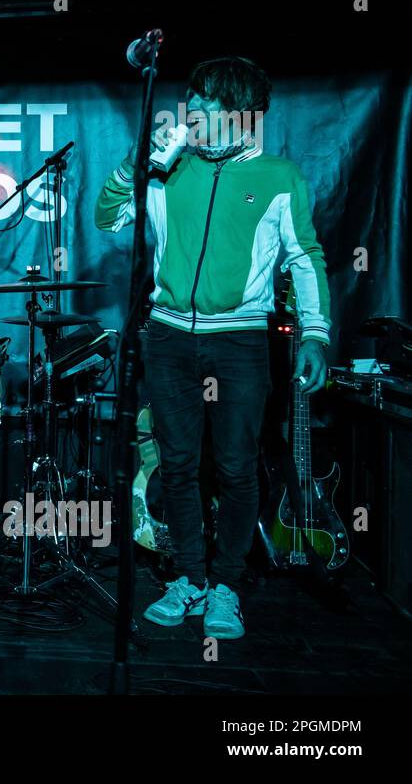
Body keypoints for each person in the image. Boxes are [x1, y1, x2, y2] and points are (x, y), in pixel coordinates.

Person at [95, 56, 330, 640]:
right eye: (193, 98)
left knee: (235, 465)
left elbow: (306, 258)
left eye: (207, 102)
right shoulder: (169, 171)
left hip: (241, 340)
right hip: (169, 335)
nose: (193, 110)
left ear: (241, 115)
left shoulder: (279, 176)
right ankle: (189, 578)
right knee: (176, 465)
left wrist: (318, 335)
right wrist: (135, 166)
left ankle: (227, 587)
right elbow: (106, 220)